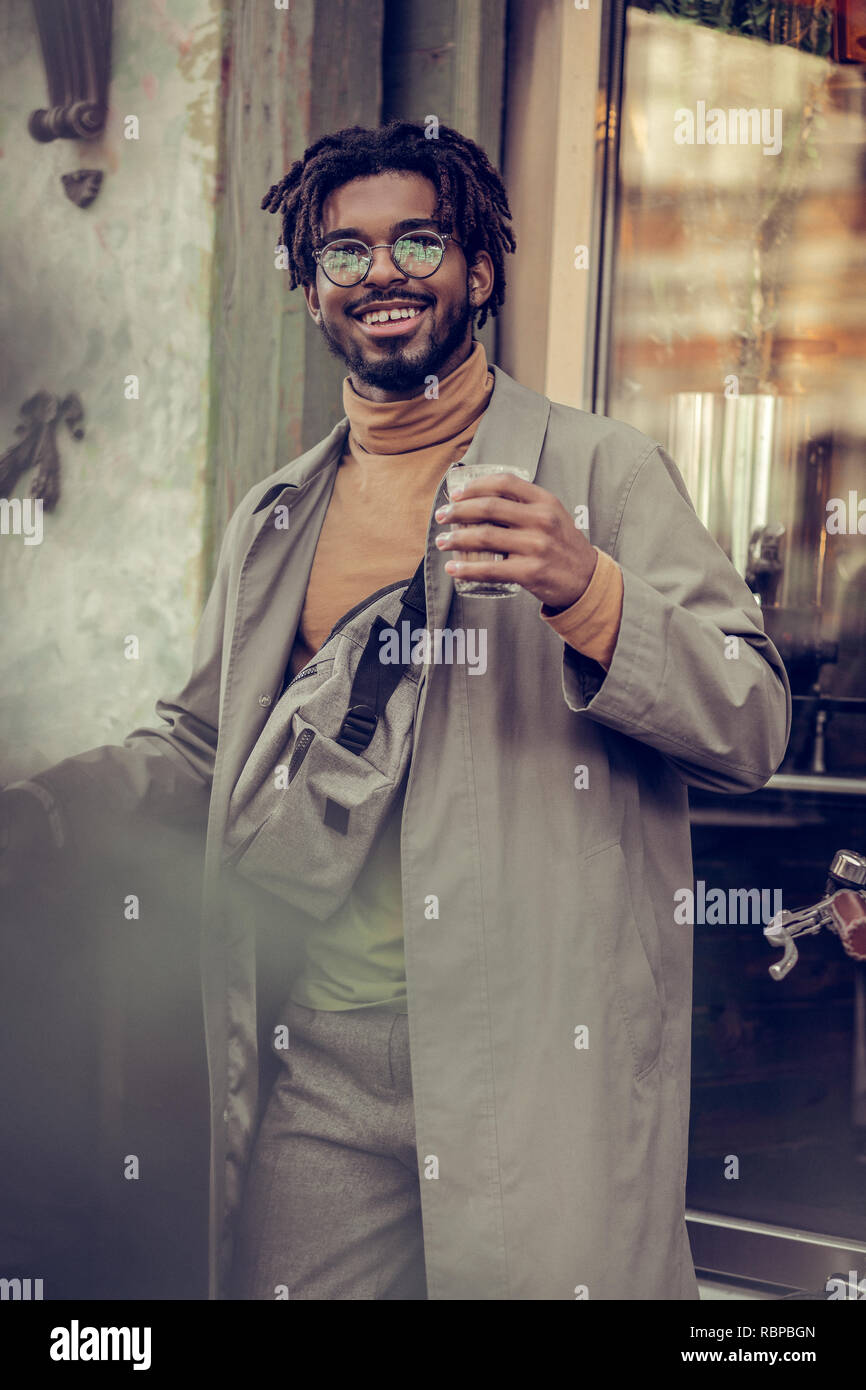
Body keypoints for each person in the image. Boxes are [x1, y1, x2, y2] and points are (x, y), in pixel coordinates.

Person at [0, 120, 791, 1301]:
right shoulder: (276, 514)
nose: (382, 275)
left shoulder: (599, 472)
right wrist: (51, 807)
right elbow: (207, 743)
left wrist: (590, 589)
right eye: (344, 252)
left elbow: (752, 723)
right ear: (311, 287)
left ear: (478, 268)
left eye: (418, 242)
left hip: (530, 1052)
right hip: (319, 1051)